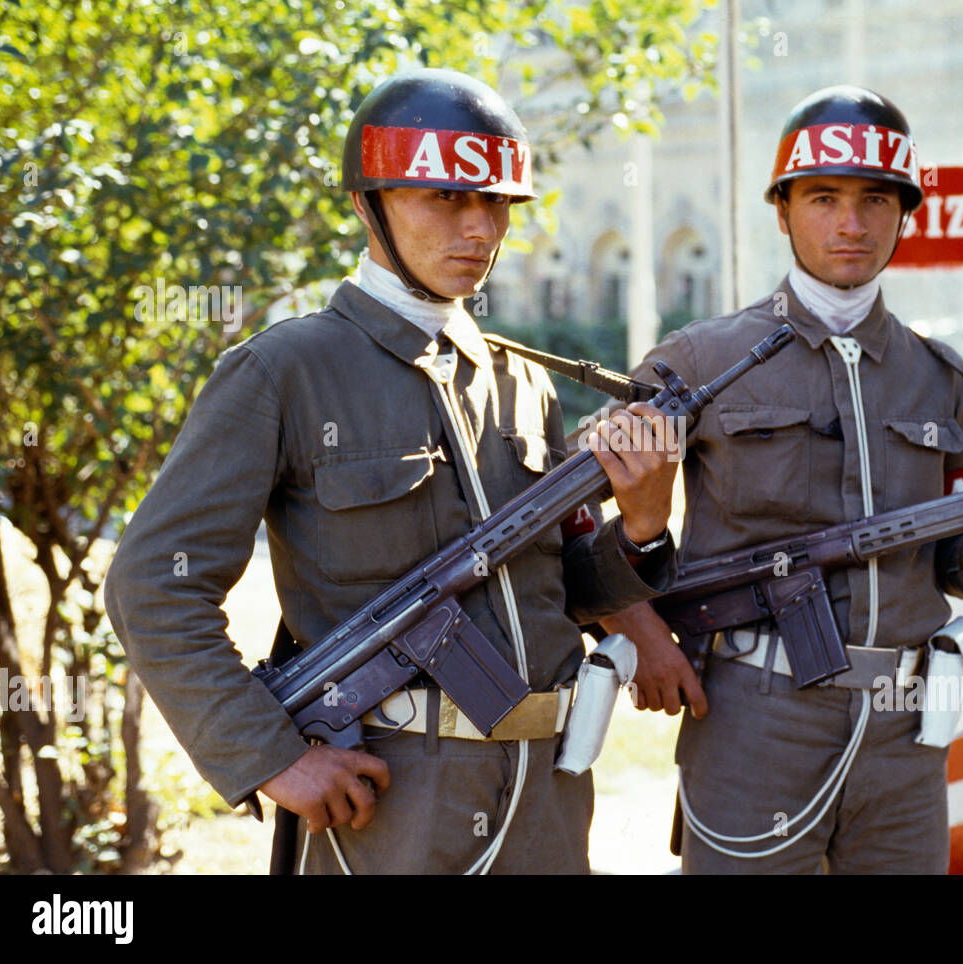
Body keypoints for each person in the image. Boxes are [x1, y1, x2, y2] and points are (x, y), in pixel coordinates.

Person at [104, 68, 679, 875]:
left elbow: (561, 593)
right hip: (391, 805)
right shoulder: (285, 371)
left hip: (546, 805)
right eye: (444, 198)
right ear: (368, 201)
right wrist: (271, 758)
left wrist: (644, 525)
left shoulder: (522, 381)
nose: (478, 228)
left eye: (496, 203)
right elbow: (152, 585)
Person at [600, 84, 963, 874]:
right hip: (756, 724)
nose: (851, 224)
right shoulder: (699, 362)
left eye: (873, 200)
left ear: (906, 214)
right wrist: (645, 632)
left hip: (903, 735)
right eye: (823, 198)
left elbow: (952, 563)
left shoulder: (941, 376)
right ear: (783, 210)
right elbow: (567, 523)